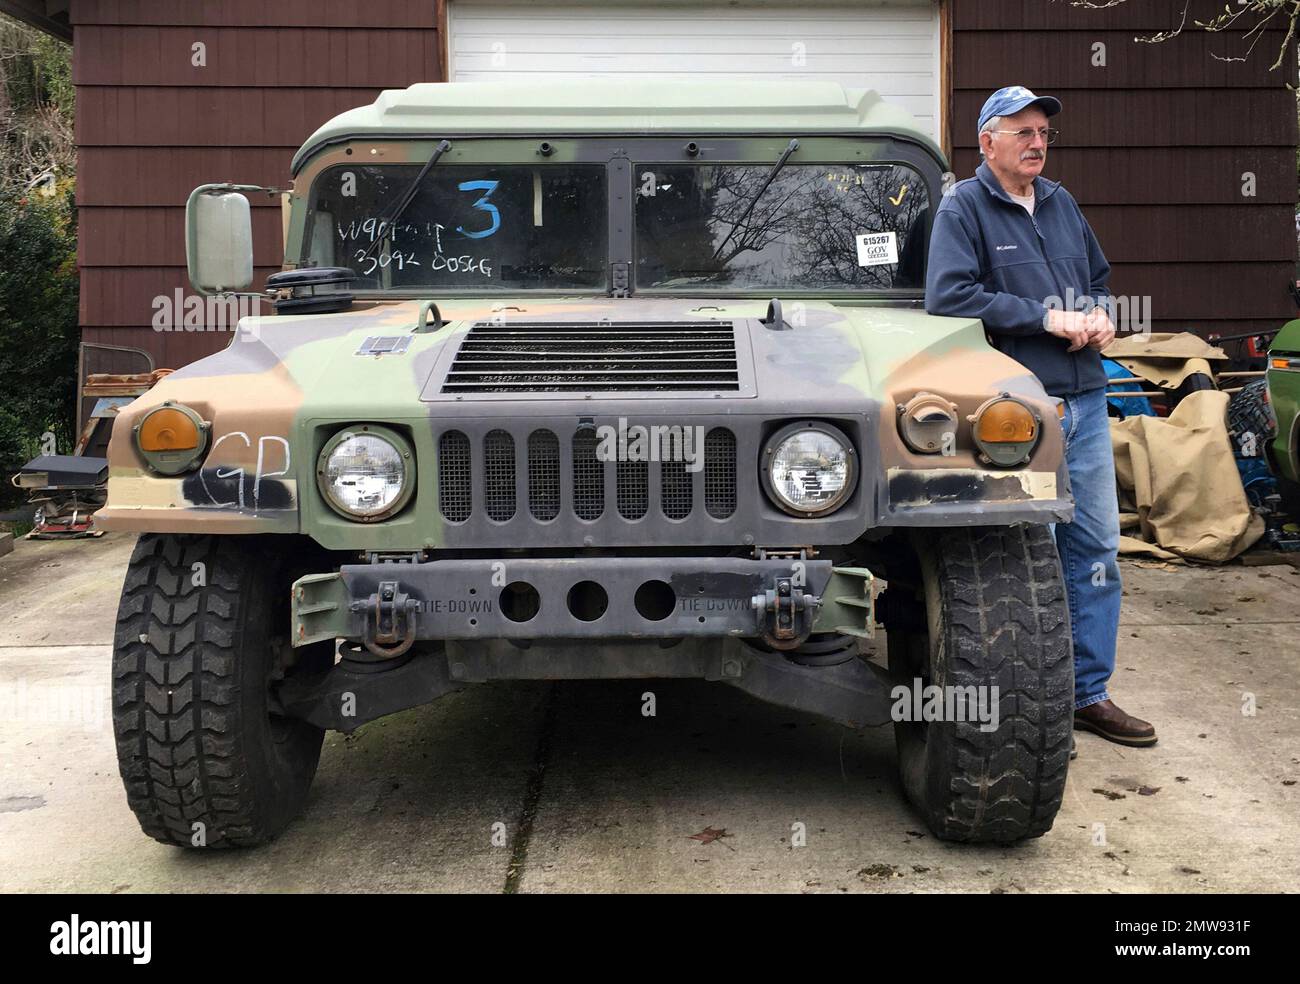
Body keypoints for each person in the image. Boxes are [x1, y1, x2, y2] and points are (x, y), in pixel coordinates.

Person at [924, 85, 1156, 749]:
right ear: (986, 141)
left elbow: (1100, 277)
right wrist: (1046, 317)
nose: (1037, 143)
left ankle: (1090, 694)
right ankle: (1038, 703)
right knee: (1031, 558)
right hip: (1020, 412)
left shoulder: (1061, 203)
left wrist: (1101, 316)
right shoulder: (963, 209)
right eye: (1022, 131)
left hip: (1085, 395)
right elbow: (949, 295)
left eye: (1044, 133)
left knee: (1096, 550)